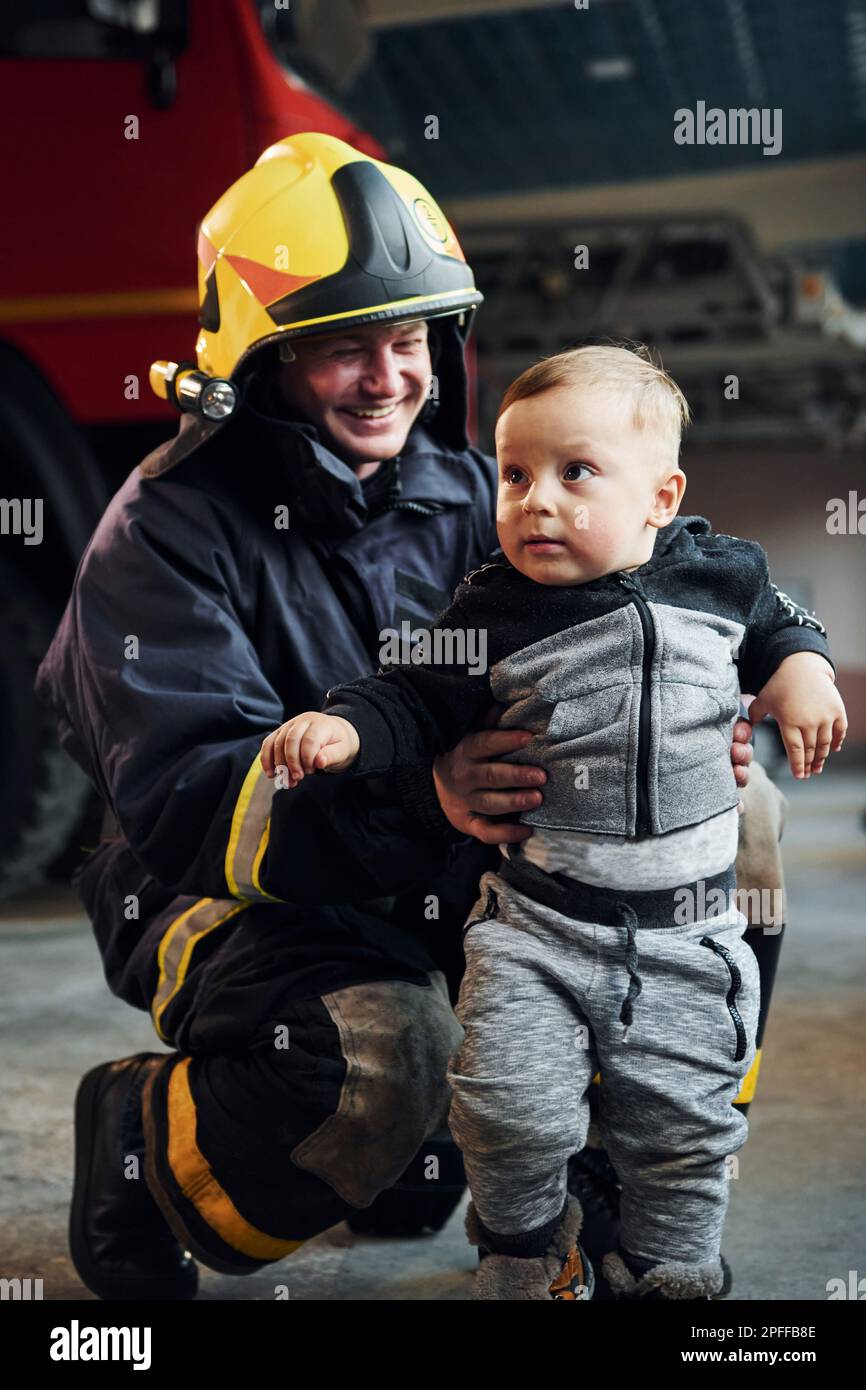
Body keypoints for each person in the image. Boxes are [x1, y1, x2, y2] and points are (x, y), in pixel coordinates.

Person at [35, 133, 758, 1303]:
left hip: (435, 857)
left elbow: (635, 623)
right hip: (212, 886)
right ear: (257, 361)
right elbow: (188, 806)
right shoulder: (161, 532)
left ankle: (618, 1187)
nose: (388, 379)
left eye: (408, 339)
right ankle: (142, 1138)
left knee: (741, 815)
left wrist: (686, 720)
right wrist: (420, 794)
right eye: (339, 349)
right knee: (382, 1056)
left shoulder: (478, 491)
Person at [261, 344, 846, 1301]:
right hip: (539, 926)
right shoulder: (496, 607)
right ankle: (527, 1250)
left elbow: (779, 624)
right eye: (517, 474)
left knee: (684, 1125)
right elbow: (410, 693)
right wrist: (347, 726)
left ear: (662, 497)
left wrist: (803, 671)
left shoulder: (719, 573)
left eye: (577, 473)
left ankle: (669, 1264)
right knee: (509, 1108)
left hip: (689, 931)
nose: (537, 500)